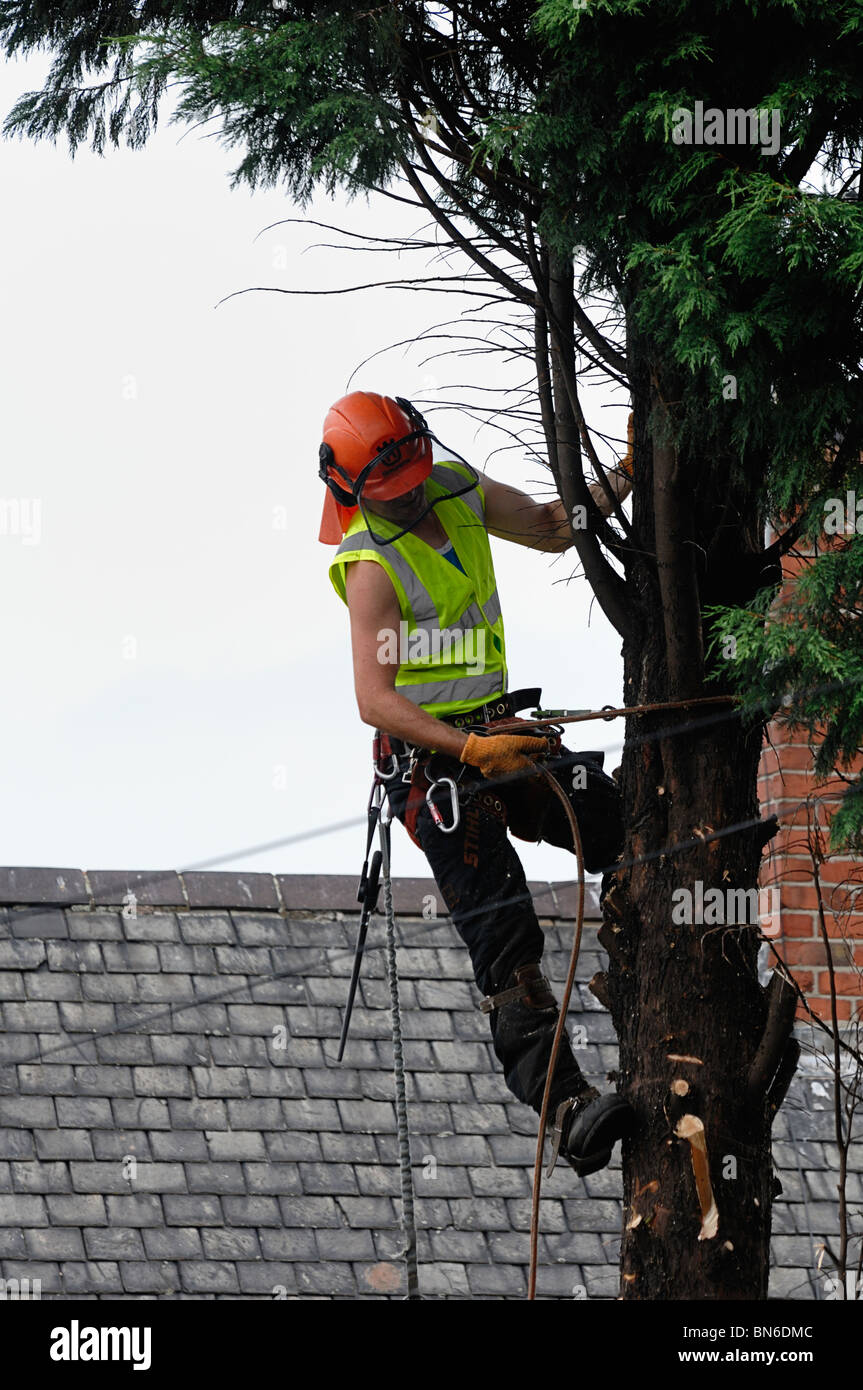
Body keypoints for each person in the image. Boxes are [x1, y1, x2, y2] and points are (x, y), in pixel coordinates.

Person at [319, 390, 635, 1175]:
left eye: (416, 476)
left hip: (499, 731)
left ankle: (642, 945)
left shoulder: (455, 488)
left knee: (616, 823)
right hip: (435, 767)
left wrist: (629, 471)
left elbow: (551, 527)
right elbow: (375, 700)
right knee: (505, 936)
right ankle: (567, 1108)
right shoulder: (371, 567)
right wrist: (466, 748)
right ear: (355, 490)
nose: (414, 493)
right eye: (394, 490)